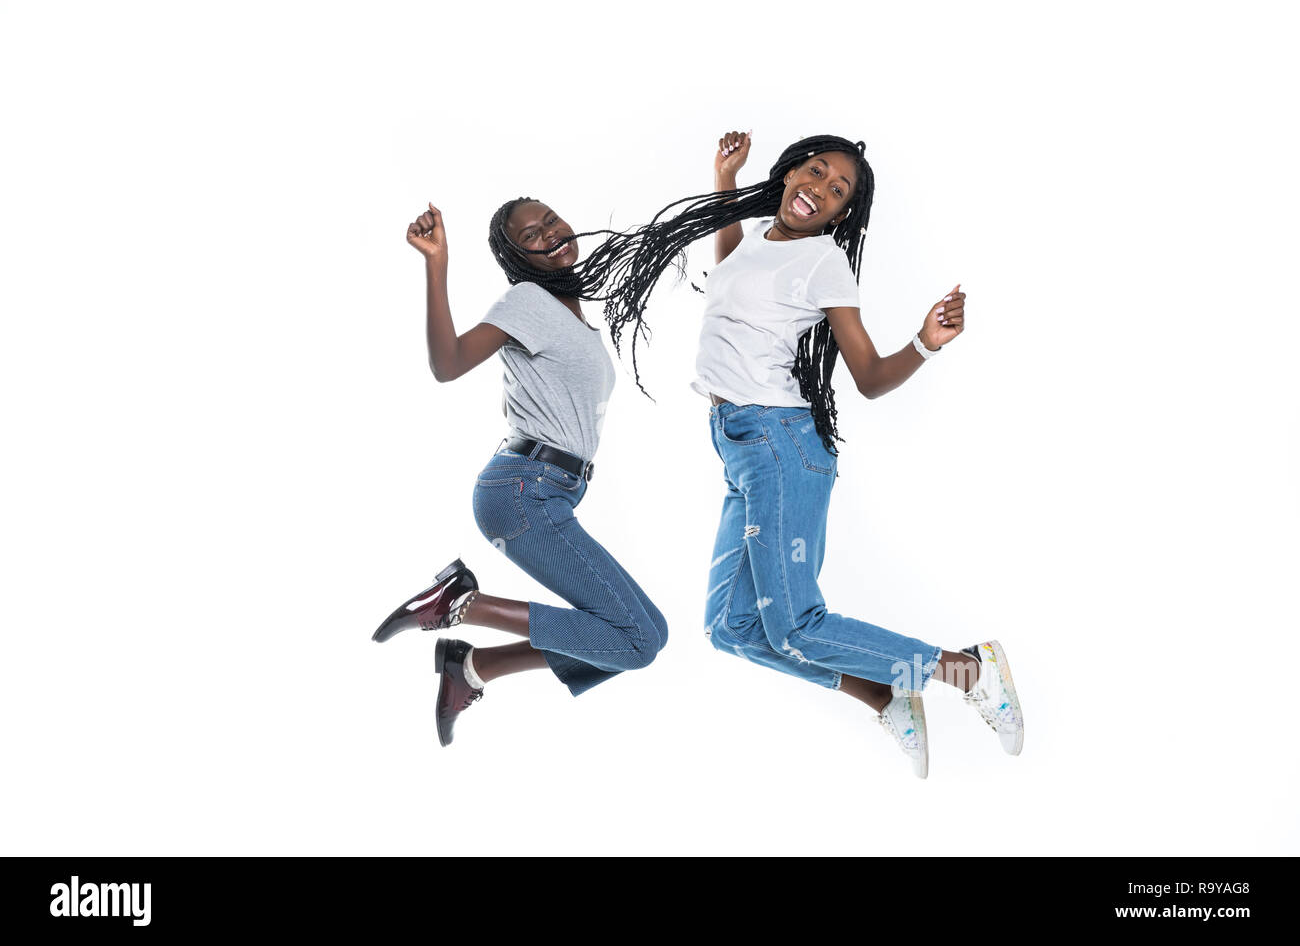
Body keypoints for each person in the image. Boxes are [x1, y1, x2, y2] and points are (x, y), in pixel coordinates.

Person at [597, 132, 1023, 777]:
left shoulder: (824, 262)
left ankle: (966, 669)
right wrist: (723, 179)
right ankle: (881, 694)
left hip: (780, 445)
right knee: (730, 629)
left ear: (842, 213)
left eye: (836, 190)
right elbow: (733, 267)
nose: (818, 190)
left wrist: (926, 342)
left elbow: (872, 376)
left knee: (795, 623)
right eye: (815, 172)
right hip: (738, 444)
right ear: (791, 169)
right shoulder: (756, 244)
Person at [372, 199, 667, 746]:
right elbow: (449, 363)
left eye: (551, 220)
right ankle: (459, 604)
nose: (550, 233)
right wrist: (437, 265)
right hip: (523, 491)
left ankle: (474, 668)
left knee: (647, 633)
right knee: (635, 642)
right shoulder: (527, 302)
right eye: (532, 234)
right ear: (515, 255)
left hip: (549, 491)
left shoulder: (569, 309)